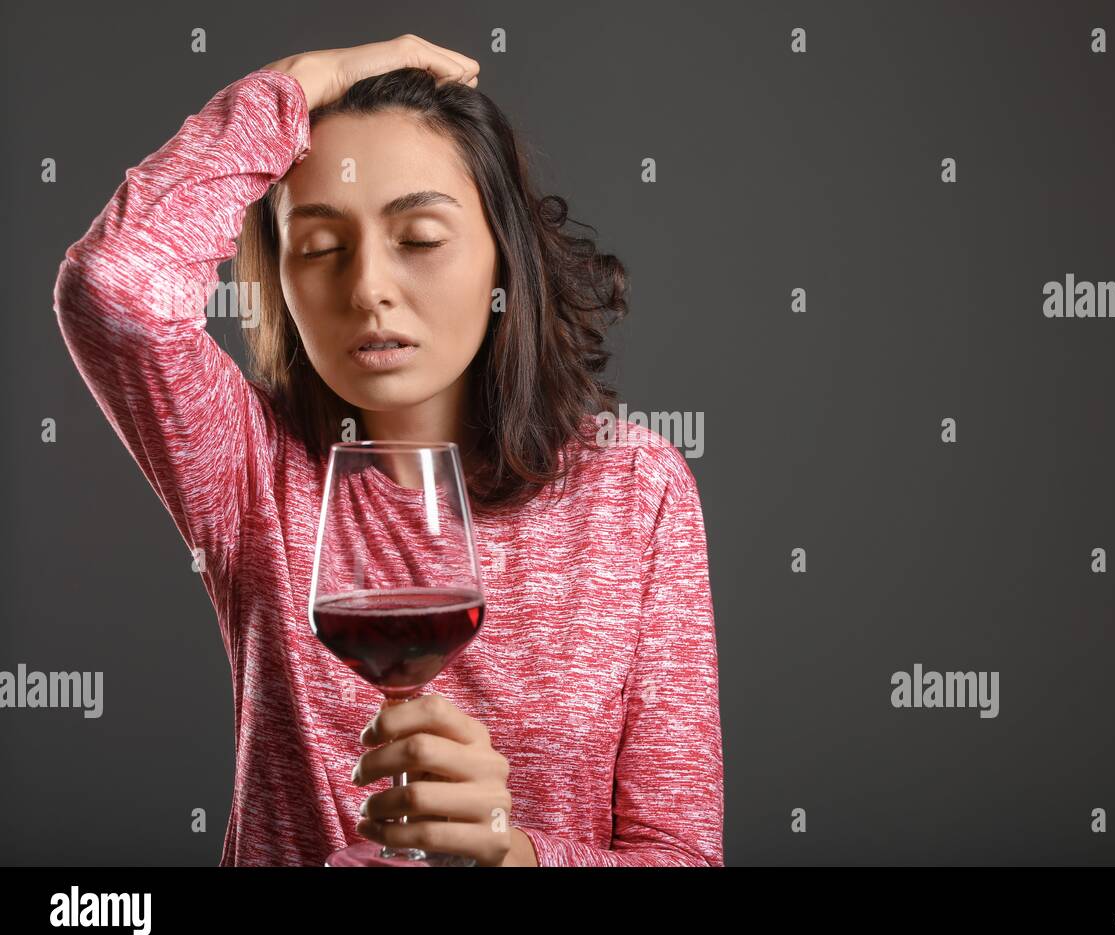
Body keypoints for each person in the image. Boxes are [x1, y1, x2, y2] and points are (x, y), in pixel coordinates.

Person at [53, 34, 723, 866]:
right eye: (322, 248)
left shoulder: (634, 490)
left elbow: (682, 855)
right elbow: (115, 288)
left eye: (420, 237)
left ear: (501, 260)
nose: (368, 286)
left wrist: (512, 857)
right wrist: (293, 86)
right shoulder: (251, 467)